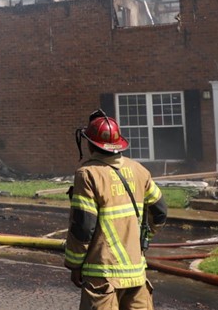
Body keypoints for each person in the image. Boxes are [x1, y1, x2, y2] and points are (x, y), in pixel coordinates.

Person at [65, 109, 169, 310]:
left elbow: (83, 229)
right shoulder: (139, 170)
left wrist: (74, 264)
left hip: (102, 277)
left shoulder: (88, 175)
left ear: (90, 143)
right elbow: (160, 212)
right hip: (136, 276)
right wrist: (141, 238)